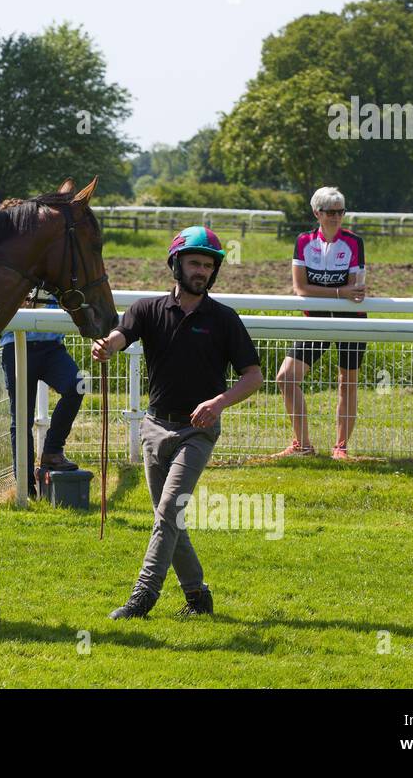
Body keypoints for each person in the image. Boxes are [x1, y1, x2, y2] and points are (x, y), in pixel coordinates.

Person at [92, 226, 263, 620]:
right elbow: (121, 335)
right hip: (154, 428)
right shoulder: (146, 309)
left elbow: (253, 376)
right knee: (169, 518)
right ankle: (198, 597)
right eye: (194, 263)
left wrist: (219, 403)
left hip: (197, 432)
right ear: (176, 264)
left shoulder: (224, 319)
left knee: (169, 510)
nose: (201, 271)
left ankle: (142, 597)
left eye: (207, 265)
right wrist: (106, 347)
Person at [0, 198, 83, 496]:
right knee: (21, 417)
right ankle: (25, 487)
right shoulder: (0, 261)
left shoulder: (44, 255)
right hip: (15, 348)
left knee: (78, 385)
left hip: (50, 346)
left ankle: (52, 451)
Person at [273, 186, 367, 461]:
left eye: (341, 211)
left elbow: (357, 291)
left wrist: (336, 293)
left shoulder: (354, 242)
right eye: (330, 212)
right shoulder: (303, 241)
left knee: (346, 382)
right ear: (317, 213)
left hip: (351, 321)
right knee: (286, 378)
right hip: (315, 320)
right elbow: (300, 288)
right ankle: (302, 444)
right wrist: (339, 293)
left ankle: (340, 448)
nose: (336, 217)